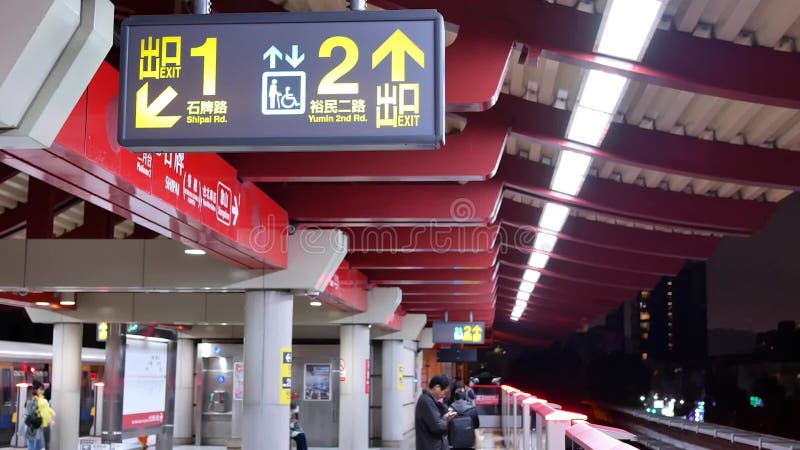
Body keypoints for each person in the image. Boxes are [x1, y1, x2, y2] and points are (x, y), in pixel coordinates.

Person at [415, 374, 457, 450]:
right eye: (444, 392)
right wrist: (447, 418)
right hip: (431, 446)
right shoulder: (426, 401)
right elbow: (438, 426)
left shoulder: (430, 400)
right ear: (437, 387)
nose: (444, 396)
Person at [24, 380, 55, 450]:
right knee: (32, 446)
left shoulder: (40, 399)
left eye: (43, 389)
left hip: (38, 425)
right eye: (41, 389)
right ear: (36, 390)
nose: (42, 391)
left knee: (39, 446)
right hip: (32, 427)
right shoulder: (32, 399)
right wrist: (35, 403)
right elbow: (29, 411)